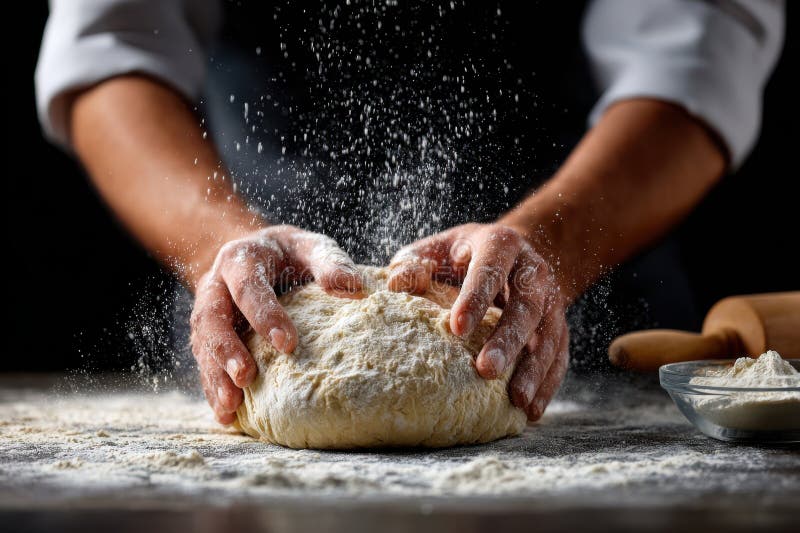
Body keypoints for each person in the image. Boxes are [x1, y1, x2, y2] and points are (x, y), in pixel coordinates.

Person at [36, 1, 784, 424]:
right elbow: (110, 46)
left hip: (580, 295)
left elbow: (699, 48)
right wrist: (223, 244)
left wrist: (547, 244)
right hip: (256, 313)